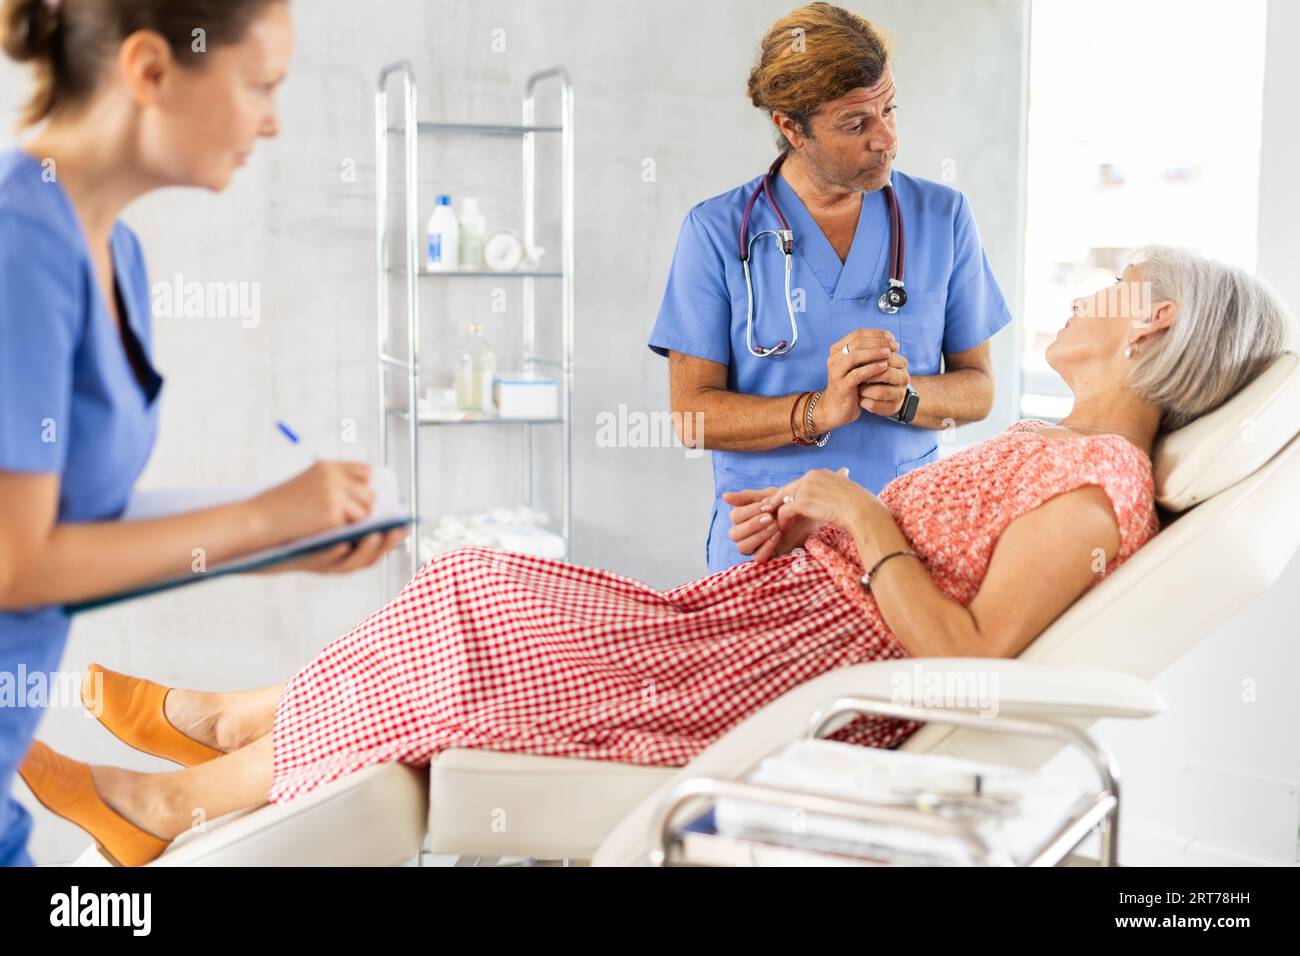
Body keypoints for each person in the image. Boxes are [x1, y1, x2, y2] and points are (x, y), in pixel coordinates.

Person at [20, 248, 1292, 866]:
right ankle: (226, 728)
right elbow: (919, 561)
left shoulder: (1092, 488)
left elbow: (970, 661)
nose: (1081, 293)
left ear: (1156, 324)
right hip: (760, 625)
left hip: (785, 693)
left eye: (1111, 285)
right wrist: (812, 517)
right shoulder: (1047, 448)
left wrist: (856, 519)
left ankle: (180, 792)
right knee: (481, 587)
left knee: (479, 613)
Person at [0, 0, 405, 867]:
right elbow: (14, 560)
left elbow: (79, 521)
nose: (271, 118)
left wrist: (282, 539)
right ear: (150, 70)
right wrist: (265, 517)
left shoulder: (118, 254)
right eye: (258, 84)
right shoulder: (18, 246)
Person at [648, 2, 1014, 572]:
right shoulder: (717, 231)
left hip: (902, 539)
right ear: (791, 127)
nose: (886, 139)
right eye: (856, 123)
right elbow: (692, 415)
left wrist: (908, 398)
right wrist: (818, 410)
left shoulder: (942, 217)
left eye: (890, 110)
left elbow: (979, 389)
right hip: (766, 540)